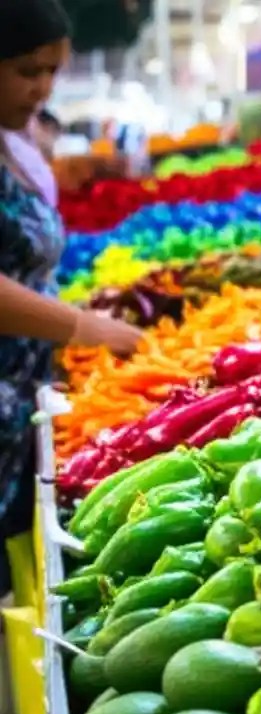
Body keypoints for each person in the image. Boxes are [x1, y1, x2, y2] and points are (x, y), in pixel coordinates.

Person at [0, 0, 142, 596]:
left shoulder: (17, 140)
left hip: (21, 396)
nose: (43, 88)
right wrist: (81, 327)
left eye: (54, 71)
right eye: (29, 70)